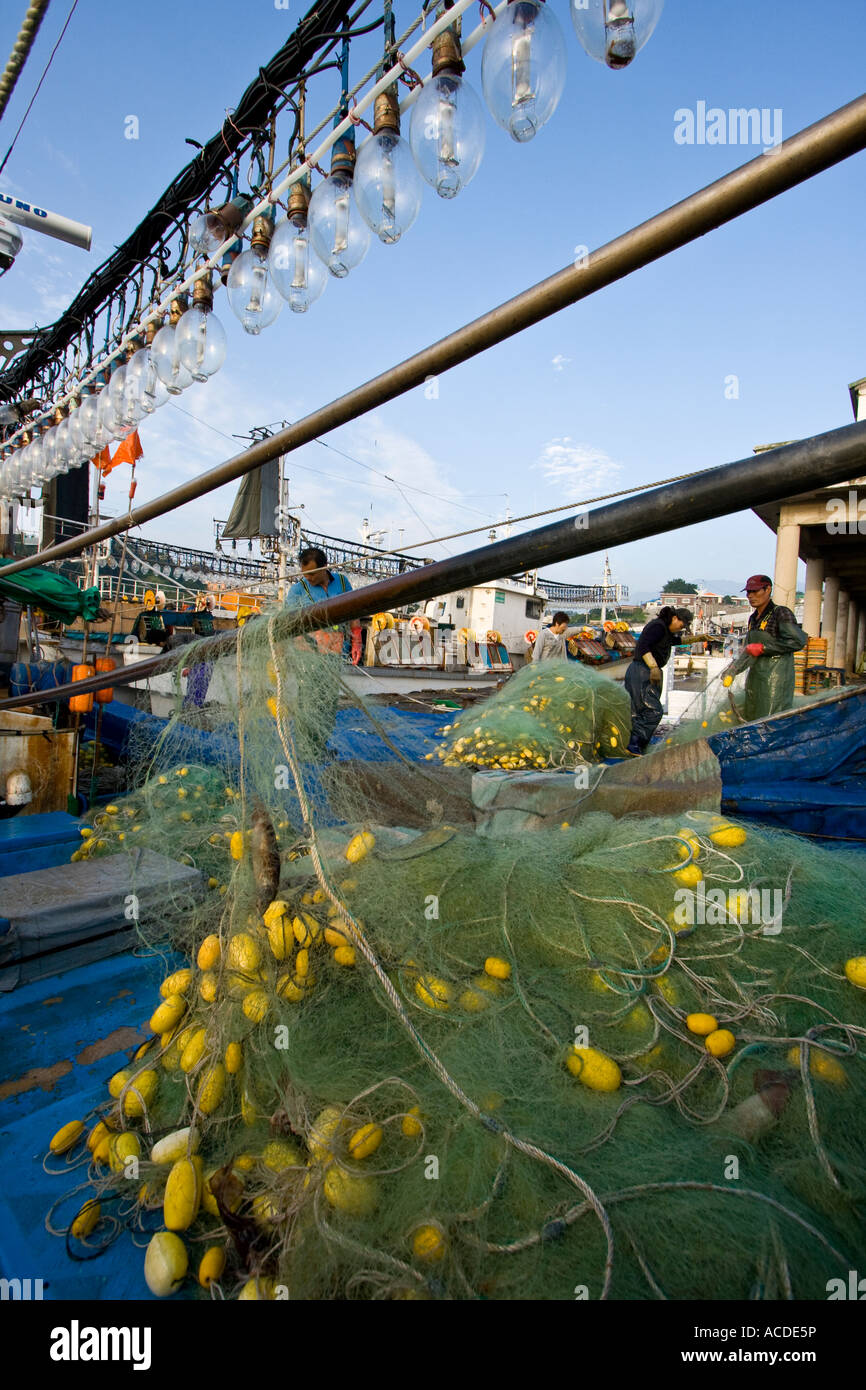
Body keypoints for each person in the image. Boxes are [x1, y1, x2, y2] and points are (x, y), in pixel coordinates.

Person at [721, 575, 806, 720]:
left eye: (755, 591)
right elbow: (748, 651)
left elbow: (797, 641)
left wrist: (764, 648)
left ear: (768, 589)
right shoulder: (753, 618)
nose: (751, 596)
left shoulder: (781, 613)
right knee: (752, 718)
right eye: (748, 592)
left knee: (771, 721)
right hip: (755, 680)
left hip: (776, 682)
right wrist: (733, 670)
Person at [625, 606, 706, 755]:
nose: (680, 629)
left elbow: (675, 641)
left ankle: (637, 746)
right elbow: (643, 645)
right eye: (682, 626)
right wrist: (653, 667)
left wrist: (700, 638)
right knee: (653, 710)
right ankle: (634, 744)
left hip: (647, 671)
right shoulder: (658, 626)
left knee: (641, 710)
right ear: (675, 618)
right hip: (643, 671)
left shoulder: (665, 631)